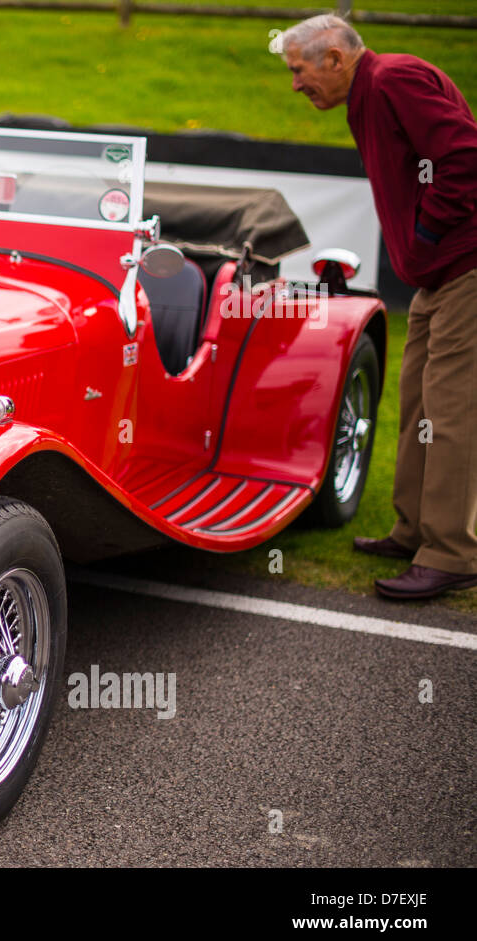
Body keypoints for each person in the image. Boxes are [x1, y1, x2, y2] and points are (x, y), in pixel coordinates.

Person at [277, 15, 477, 599]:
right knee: (417, 402)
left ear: (335, 58)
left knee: (451, 411)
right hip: (436, 276)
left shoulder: (393, 79)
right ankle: (415, 530)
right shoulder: (367, 94)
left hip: (463, 267)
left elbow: (464, 157)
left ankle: (452, 552)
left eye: (299, 70)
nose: (295, 84)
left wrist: (427, 233)